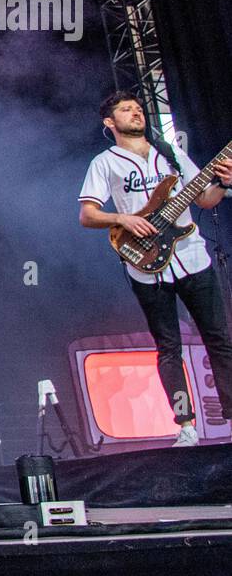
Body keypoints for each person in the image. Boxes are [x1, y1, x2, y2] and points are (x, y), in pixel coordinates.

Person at [79, 92, 232, 445]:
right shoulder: (105, 163)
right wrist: (123, 219)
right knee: (168, 347)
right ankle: (186, 425)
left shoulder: (171, 153)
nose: (136, 113)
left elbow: (205, 199)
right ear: (110, 122)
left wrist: (224, 183)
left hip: (192, 257)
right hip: (146, 264)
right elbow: (87, 214)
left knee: (220, 339)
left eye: (137, 108)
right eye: (126, 110)